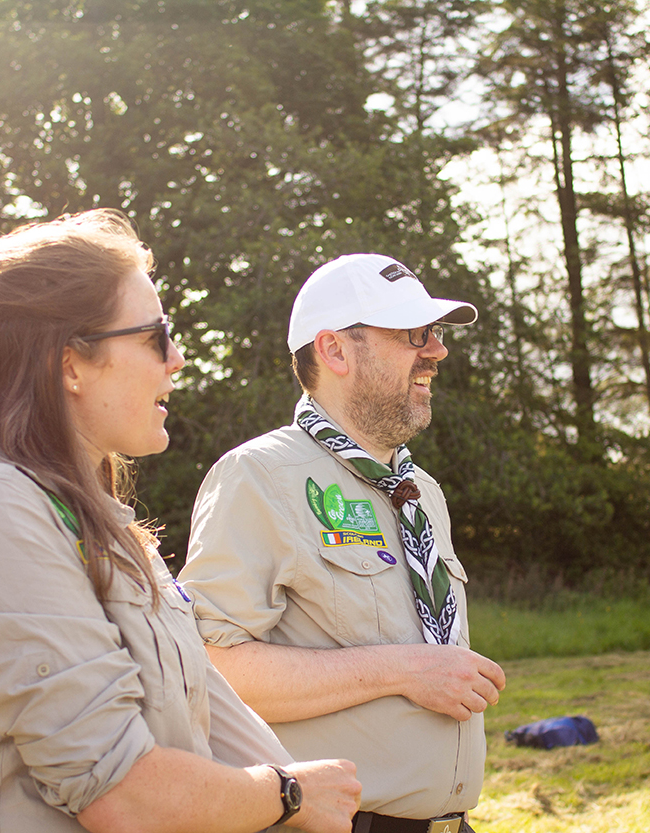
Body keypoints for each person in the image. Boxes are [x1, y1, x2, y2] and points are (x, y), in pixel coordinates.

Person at [0, 210, 361, 833]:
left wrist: (295, 794)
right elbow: (123, 795)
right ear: (70, 364)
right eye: (155, 335)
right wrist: (292, 795)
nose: (176, 359)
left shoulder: (85, 519)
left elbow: (206, 719)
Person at [178, 254, 506, 833]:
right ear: (334, 351)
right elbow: (207, 671)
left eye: (433, 334)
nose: (437, 351)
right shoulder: (257, 476)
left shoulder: (418, 491)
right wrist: (405, 670)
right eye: (414, 333)